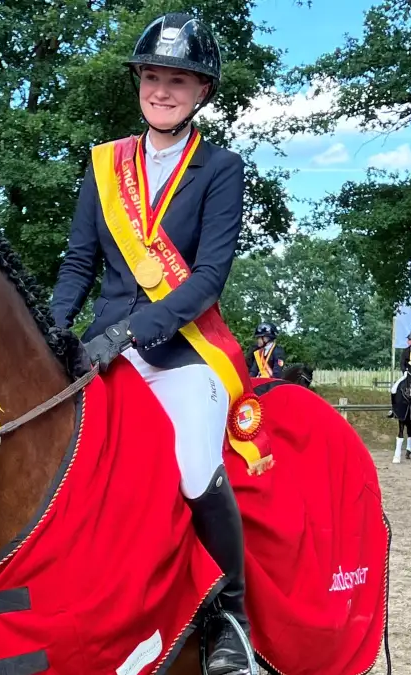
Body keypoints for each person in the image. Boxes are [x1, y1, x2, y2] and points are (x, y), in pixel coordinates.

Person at [50, 12, 257, 674]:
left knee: (195, 461)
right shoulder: (105, 165)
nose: (162, 90)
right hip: (102, 344)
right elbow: (79, 264)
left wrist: (137, 330)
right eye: (152, 77)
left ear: (201, 93)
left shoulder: (221, 169)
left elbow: (209, 276)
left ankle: (232, 615)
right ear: (138, 82)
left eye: (179, 80)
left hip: (185, 349)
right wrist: (53, 330)